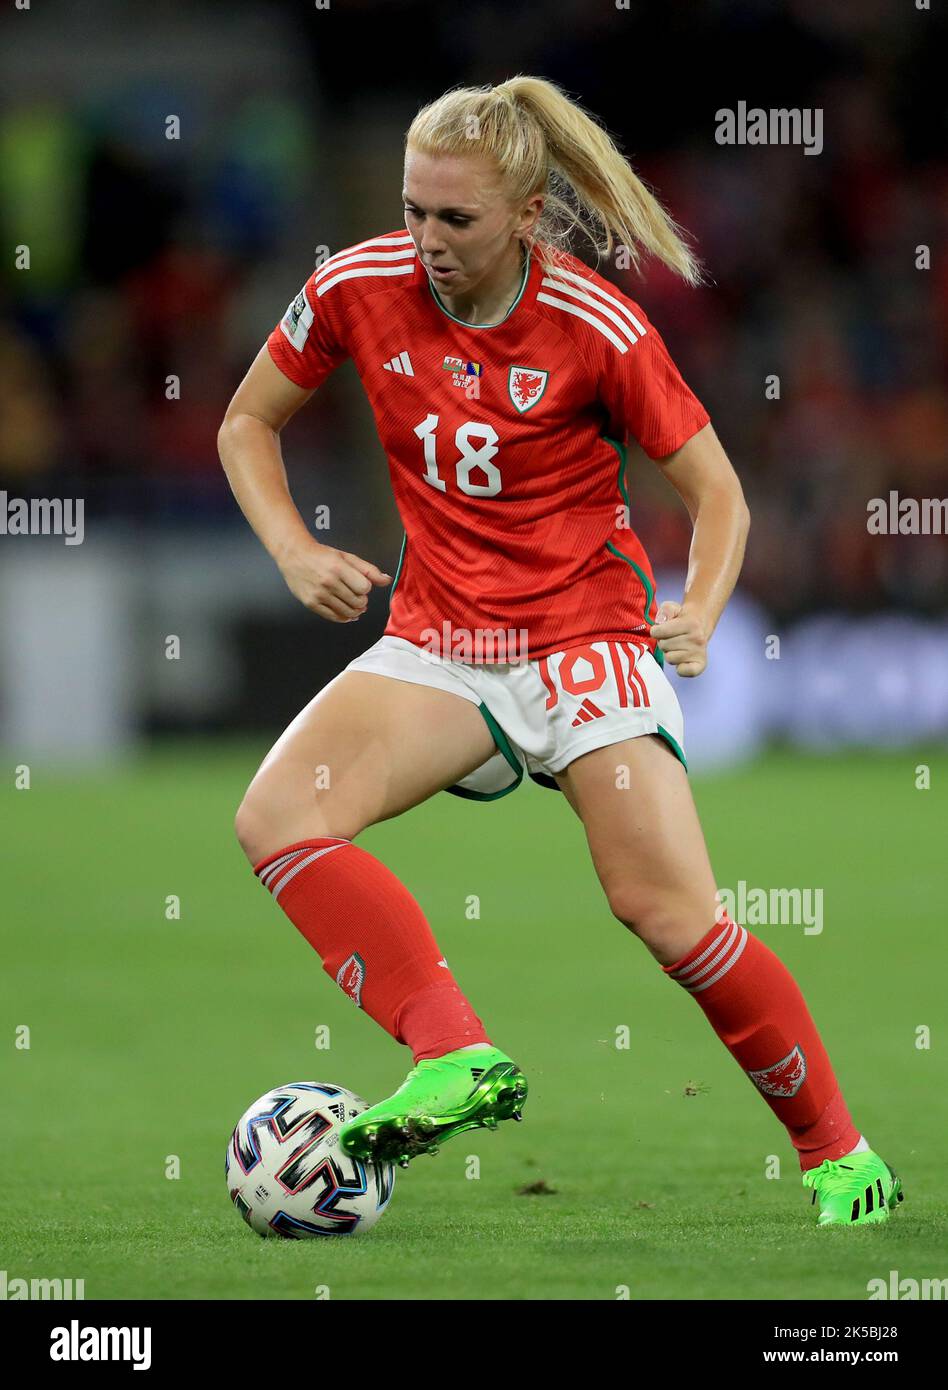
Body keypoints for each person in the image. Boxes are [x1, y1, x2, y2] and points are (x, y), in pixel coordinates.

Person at [218, 76, 903, 1227]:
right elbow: (247, 420)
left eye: (456, 220)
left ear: (527, 214)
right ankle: (455, 1056)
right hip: (442, 638)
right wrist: (293, 548)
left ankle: (841, 1157)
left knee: (669, 913)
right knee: (275, 816)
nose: (426, 242)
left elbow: (720, 493)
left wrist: (705, 607)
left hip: (582, 640)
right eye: (413, 211)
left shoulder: (597, 327)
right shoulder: (355, 285)